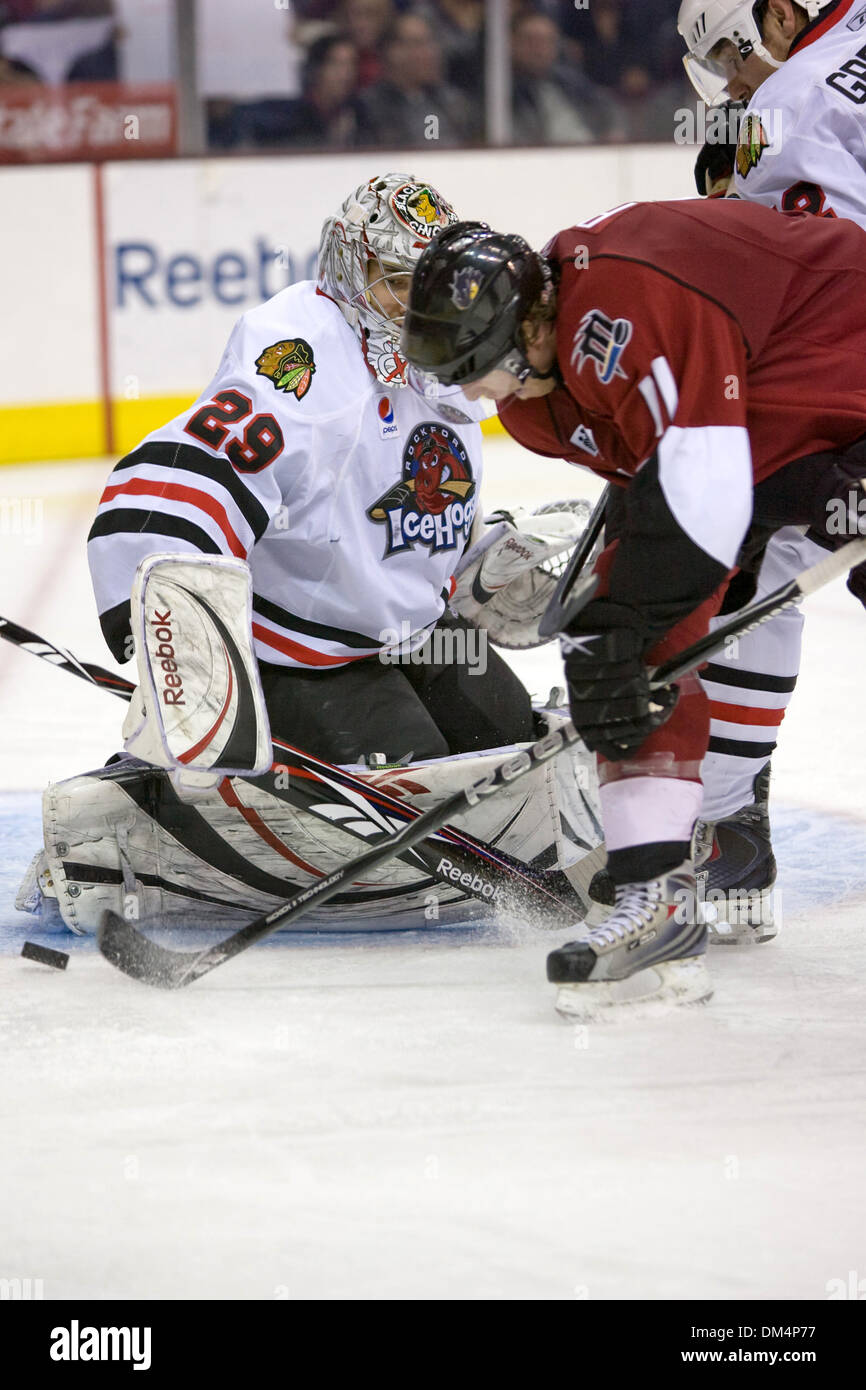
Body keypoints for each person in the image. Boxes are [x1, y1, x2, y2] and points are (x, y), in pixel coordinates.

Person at [399, 202, 866, 1017]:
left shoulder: (623, 301)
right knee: (607, 646)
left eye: (472, 361)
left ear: (527, 323)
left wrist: (632, 615)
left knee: (625, 628)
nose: (468, 390)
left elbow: (704, 474)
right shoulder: (535, 405)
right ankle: (658, 903)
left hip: (841, 370)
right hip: (778, 424)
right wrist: (615, 628)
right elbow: (676, 477)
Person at [87, 173, 543, 768]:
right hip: (297, 650)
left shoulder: (435, 360)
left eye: (428, 286)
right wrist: (165, 628)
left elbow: (403, 492)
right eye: (399, 283)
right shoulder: (304, 356)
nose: (417, 307)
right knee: (412, 771)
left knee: (512, 741)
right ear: (352, 266)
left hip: (411, 631)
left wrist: (476, 564)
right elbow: (181, 479)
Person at [678, 0, 866, 932]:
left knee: (752, 557)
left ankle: (723, 827)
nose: (731, 80)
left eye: (726, 53)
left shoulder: (790, 101)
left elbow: (805, 267)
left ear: (778, 15)